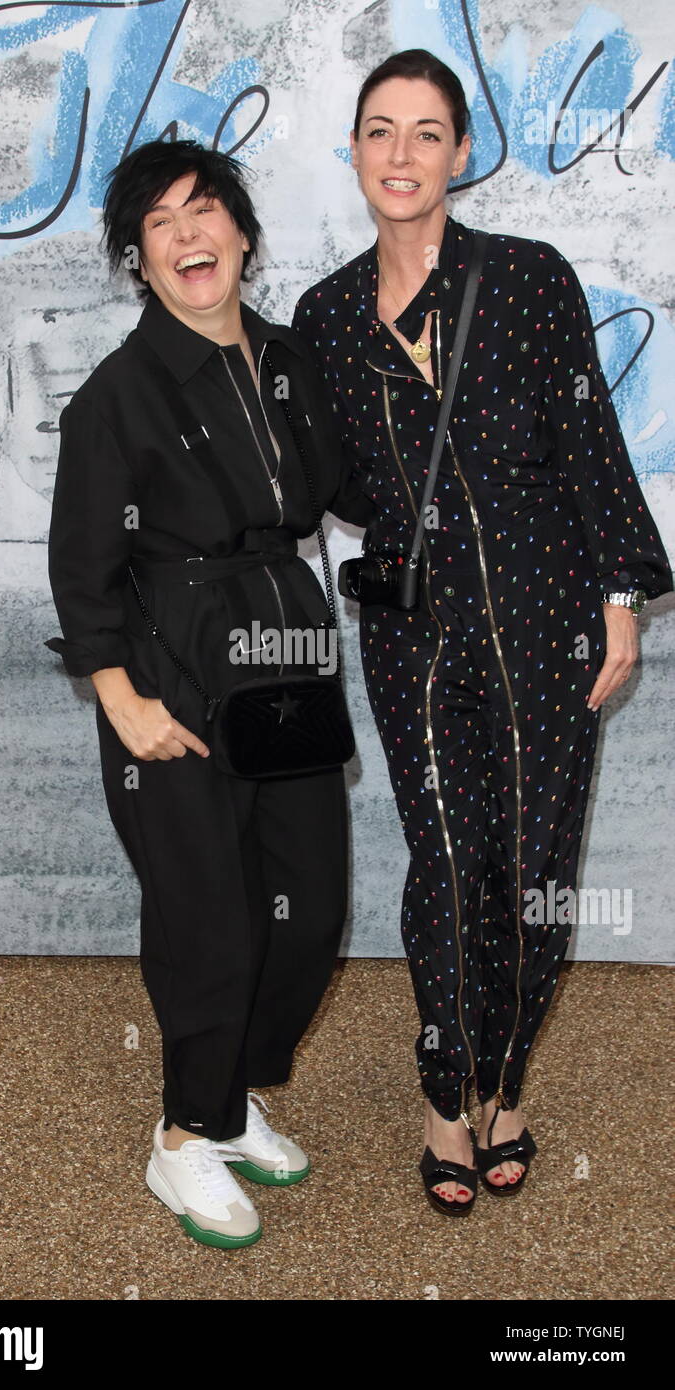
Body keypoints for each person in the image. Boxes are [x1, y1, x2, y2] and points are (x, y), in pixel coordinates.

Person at [292, 49, 672, 1215]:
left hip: (552, 615)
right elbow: (335, 490)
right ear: (354, 153)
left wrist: (621, 593)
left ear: (461, 153)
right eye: (379, 131)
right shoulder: (325, 318)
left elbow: (589, 439)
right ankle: (446, 1095)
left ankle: (508, 1081)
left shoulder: (528, 280)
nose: (401, 154)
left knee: (536, 868)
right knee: (451, 863)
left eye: (425, 132)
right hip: (420, 638)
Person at [44, 139, 374, 1248]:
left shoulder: (290, 359)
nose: (188, 236)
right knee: (208, 921)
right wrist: (121, 698)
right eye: (160, 225)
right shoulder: (115, 398)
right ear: (139, 260)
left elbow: (338, 487)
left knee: (311, 905)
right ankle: (186, 1136)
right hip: (170, 670)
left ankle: (232, 1098)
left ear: (241, 230)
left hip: (283, 653)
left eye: (205, 211)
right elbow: (81, 569)